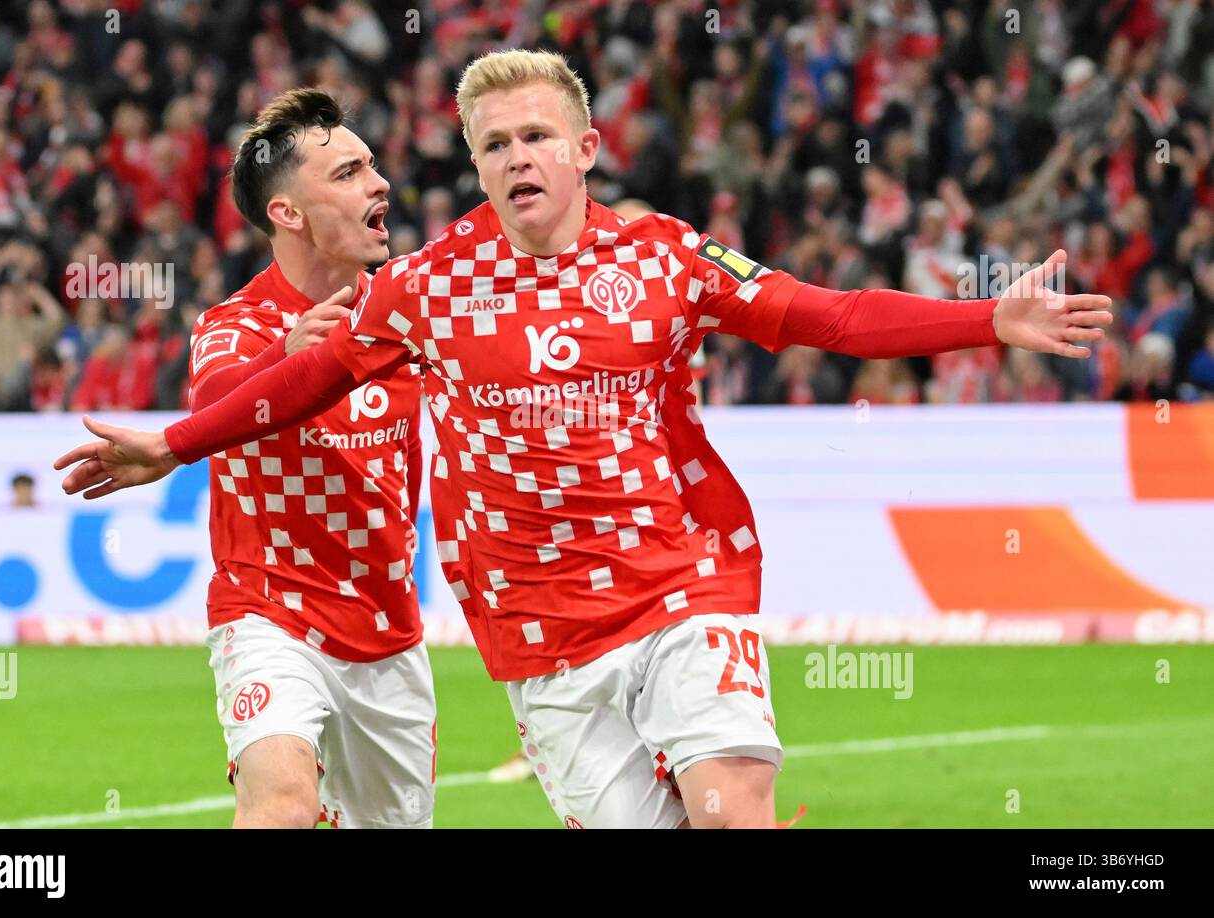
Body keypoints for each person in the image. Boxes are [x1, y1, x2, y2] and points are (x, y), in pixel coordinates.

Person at [55, 51, 1113, 829]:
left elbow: (829, 317)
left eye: (536, 136)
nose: (518, 157)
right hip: (539, 631)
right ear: (476, 166)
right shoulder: (423, 290)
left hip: (680, 580)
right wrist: (175, 445)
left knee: (731, 804)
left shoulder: (666, 257)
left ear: (586, 150)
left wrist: (990, 317)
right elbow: (298, 384)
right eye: (494, 144)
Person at [178, 88, 433, 829]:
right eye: (348, 173)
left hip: (388, 629)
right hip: (270, 613)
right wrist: (285, 359)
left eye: (372, 165)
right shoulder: (237, 323)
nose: (380, 184)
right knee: (285, 804)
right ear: (287, 213)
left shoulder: (408, 315)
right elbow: (212, 404)